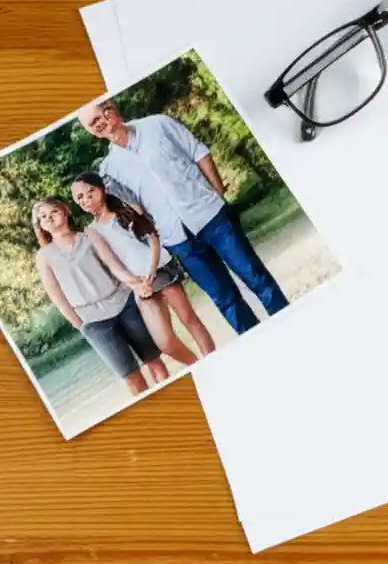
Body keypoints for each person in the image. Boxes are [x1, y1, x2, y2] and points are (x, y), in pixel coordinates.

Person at [76, 98, 289, 334]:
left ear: (112, 107)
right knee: (224, 299)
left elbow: (199, 152)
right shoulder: (110, 169)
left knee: (255, 276)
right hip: (178, 240)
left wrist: (217, 193)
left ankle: (290, 325)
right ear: (90, 131)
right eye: (93, 122)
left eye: (103, 112)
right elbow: (136, 207)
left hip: (212, 216)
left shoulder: (158, 124)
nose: (101, 121)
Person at [71, 172, 215, 365]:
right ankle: (197, 366)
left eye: (90, 192)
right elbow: (112, 264)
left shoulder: (126, 210)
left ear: (102, 190)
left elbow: (153, 239)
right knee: (165, 343)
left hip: (160, 270)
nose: (86, 199)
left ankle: (213, 363)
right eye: (80, 197)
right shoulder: (91, 231)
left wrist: (151, 271)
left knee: (190, 320)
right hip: (139, 286)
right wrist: (136, 284)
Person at [31, 198, 168, 396]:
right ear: (40, 225)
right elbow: (56, 295)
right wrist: (79, 324)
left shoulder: (89, 235)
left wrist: (136, 283)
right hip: (93, 322)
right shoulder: (44, 256)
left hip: (124, 305)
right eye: (43, 217)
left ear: (65, 211)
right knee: (131, 377)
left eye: (53, 212)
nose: (49, 218)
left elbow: (114, 266)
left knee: (154, 360)